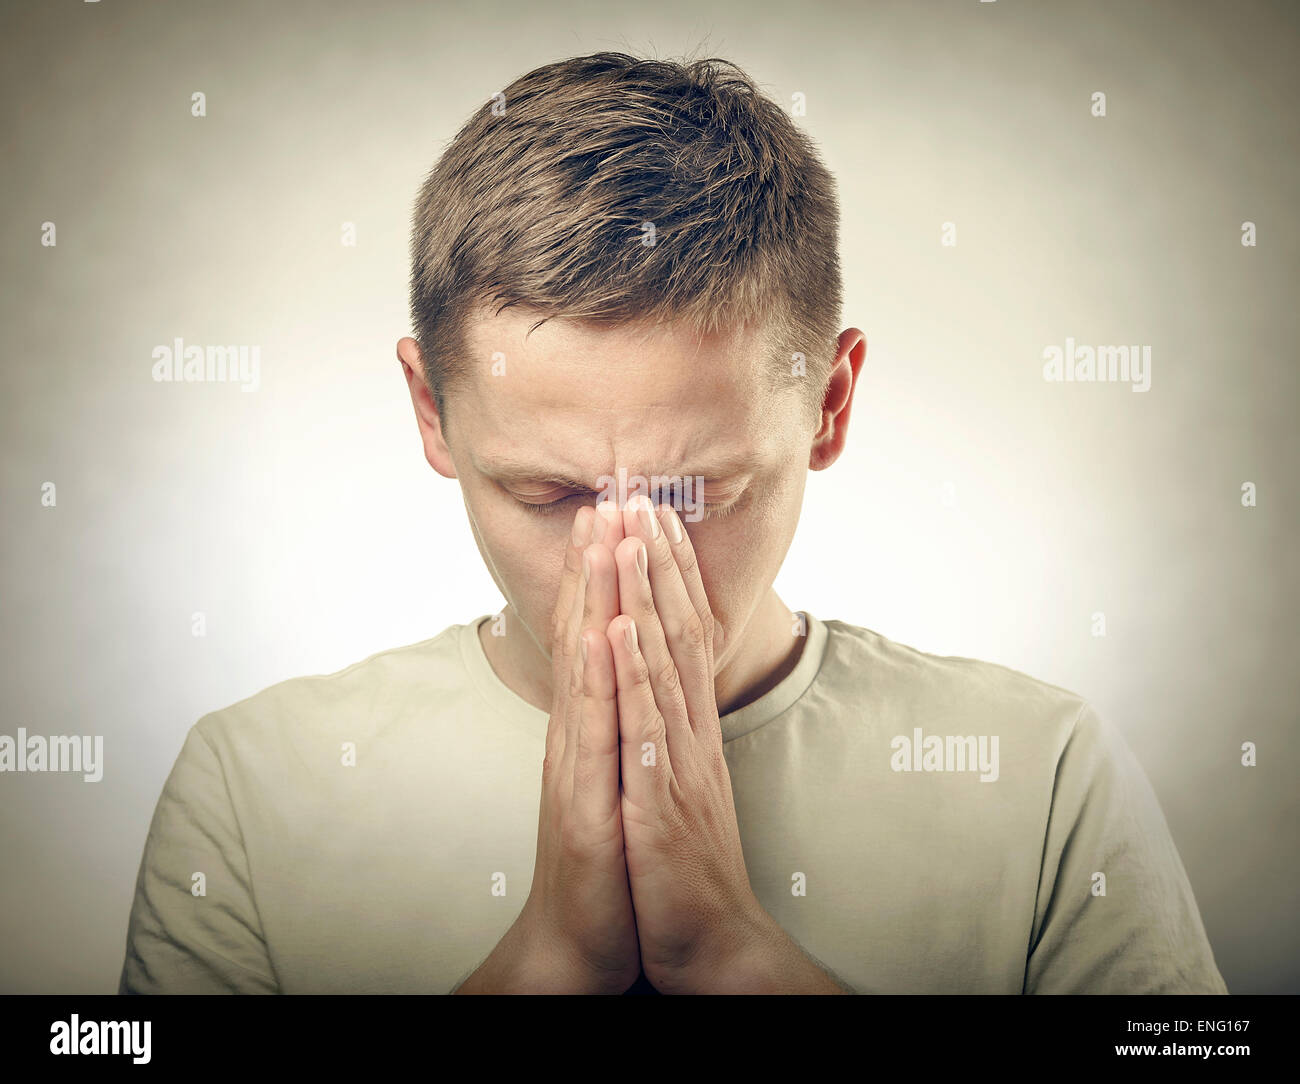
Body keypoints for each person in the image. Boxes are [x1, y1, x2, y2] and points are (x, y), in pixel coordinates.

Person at [119, 52, 1226, 995]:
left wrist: (733, 955)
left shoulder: (1043, 780)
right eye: (548, 495)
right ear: (431, 413)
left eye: (694, 493)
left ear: (829, 405)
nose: (623, 557)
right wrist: (548, 960)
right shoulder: (251, 787)